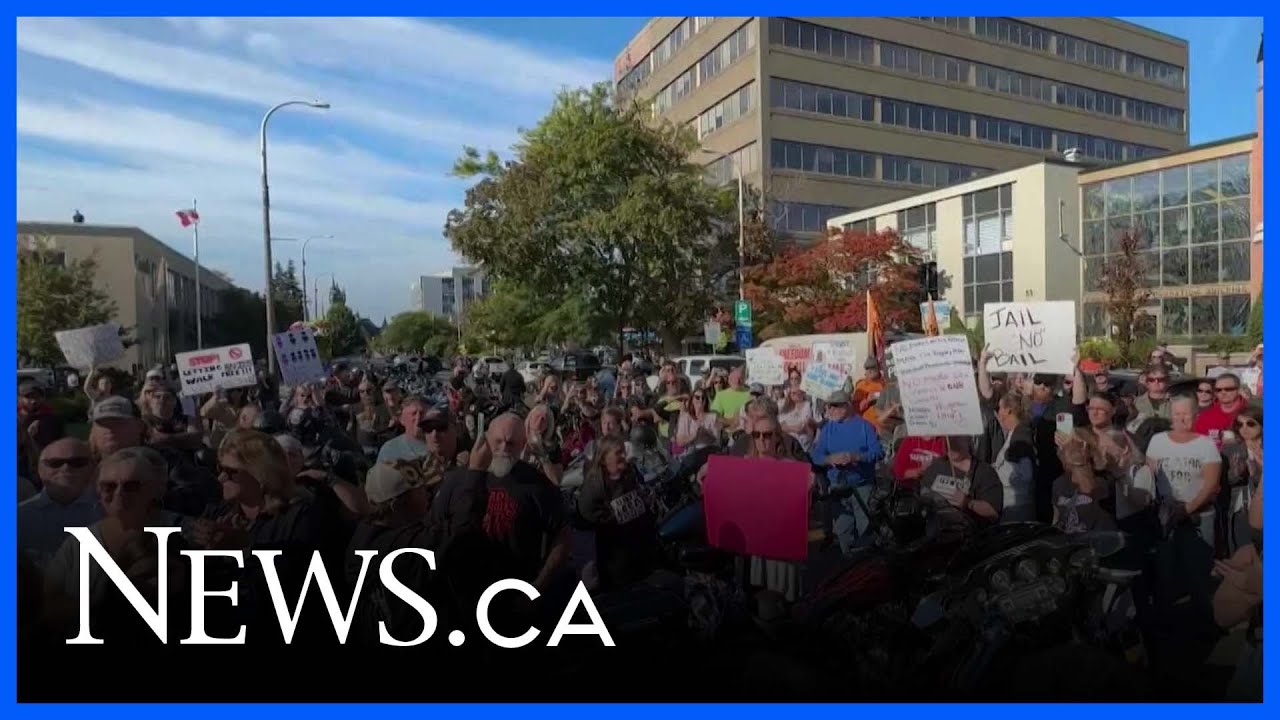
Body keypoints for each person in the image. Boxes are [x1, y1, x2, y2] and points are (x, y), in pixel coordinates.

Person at [345, 459, 446, 646]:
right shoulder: (406, 548)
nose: (428, 494)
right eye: (420, 491)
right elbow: (456, 535)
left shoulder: (362, 536)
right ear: (397, 505)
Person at [1145, 396, 1220, 631]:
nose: (1181, 418)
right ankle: (1166, 624)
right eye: (1176, 414)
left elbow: (1210, 485)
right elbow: (1148, 478)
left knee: (1199, 572)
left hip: (1197, 515)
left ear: (1196, 416)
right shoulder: (1157, 441)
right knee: (1165, 571)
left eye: (1186, 414)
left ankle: (1205, 623)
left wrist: (1186, 509)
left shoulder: (1206, 444)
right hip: (1165, 516)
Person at [574, 436, 661, 592]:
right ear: (604, 458)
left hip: (641, 554)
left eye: (623, 451)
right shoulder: (594, 487)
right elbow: (585, 520)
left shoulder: (630, 474)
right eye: (618, 452)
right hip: (616, 562)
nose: (623, 456)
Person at [810, 390, 883, 554]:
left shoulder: (865, 426)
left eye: (835, 406)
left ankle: (867, 567)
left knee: (866, 531)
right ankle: (847, 564)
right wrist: (831, 459)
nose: (831, 410)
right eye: (829, 406)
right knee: (843, 531)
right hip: (838, 487)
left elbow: (878, 452)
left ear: (848, 406)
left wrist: (857, 456)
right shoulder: (828, 428)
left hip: (863, 486)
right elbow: (816, 456)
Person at [743, 415, 805, 603]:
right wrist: (706, 468)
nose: (761, 440)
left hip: (781, 545)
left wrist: (808, 483)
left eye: (767, 435)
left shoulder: (790, 466)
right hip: (755, 543)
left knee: (784, 598)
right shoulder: (744, 464)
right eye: (756, 434)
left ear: (777, 436)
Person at [18, 439, 101, 570]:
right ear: (39, 469)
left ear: (93, 467)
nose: (66, 468)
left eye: (77, 463)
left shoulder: (109, 513)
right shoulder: (18, 518)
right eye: (55, 463)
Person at [917, 436, 1003, 528]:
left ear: (969, 440)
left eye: (956, 438)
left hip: (972, 536)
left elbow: (994, 514)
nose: (951, 443)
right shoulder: (935, 468)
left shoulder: (984, 472)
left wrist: (968, 503)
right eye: (947, 439)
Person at [1051, 430, 1116, 534]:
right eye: (1066, 445)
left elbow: (1090, 490)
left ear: (1088, 450)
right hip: (1070, 544)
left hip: (1097, 543)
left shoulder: (1103, 479)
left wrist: (1079, 461)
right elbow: (1057, 519)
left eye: (1076, 445)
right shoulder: (1058, 483)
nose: (1071, 449)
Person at [1221, 405, 1262, 555]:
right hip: (1241, 509)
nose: (1244, 428)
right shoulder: (1230, 449)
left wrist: (1257, 472)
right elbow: (1224, 482)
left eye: (1250, 423)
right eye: (1240, 424)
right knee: (1242, 554)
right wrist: (1236, 473)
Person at [1193, 372, 1248, 449]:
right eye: (1218, 390)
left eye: (1228, 389)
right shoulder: (1206, 417)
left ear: (1238, 390)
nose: (1223, 392)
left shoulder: (1253, 411)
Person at [377, 396, 432, 463]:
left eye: (422, 413)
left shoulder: (442, 443)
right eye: (413, 414)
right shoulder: (390, 450)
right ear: (402, 419)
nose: (418, 418)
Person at [674, 388, 720, 455]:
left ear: (705, 401)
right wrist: (694, 435)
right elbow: (680, 442)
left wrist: (706, 433)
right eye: (697, 397)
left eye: (703, 398)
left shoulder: (712, 417)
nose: (700, 400)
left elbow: (717, 442)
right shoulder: (685, 417)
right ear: (692, 400)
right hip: (691, 453)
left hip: (709, 451)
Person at [709, 365, 751, 433]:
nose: (737, 381)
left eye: (740, 378)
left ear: (744, 379)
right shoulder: (721, 395)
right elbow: (714, 415)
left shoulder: (751, 393)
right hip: (729, 433)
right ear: (729, 379)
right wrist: (732, 421)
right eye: (735, 378)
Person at [778, 383, 819, 452]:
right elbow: (781, 426)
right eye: (793, 393)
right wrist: (795, 428)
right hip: (788, 446)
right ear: (790, 395)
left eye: (799, 392)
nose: (797, 395)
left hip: (806, 447)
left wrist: (808, 424)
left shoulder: (810, 405)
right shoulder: (785, 408)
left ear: (803, 393)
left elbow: (815, 425)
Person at [852, 356, 885, 427]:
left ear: (878, 368)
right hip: (868, 424)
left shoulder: (886, 383)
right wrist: (868, 400)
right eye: (867, 368)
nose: (870, 371)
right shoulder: (862, 385)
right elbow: (856, 409)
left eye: (872, 368)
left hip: (885, 425)